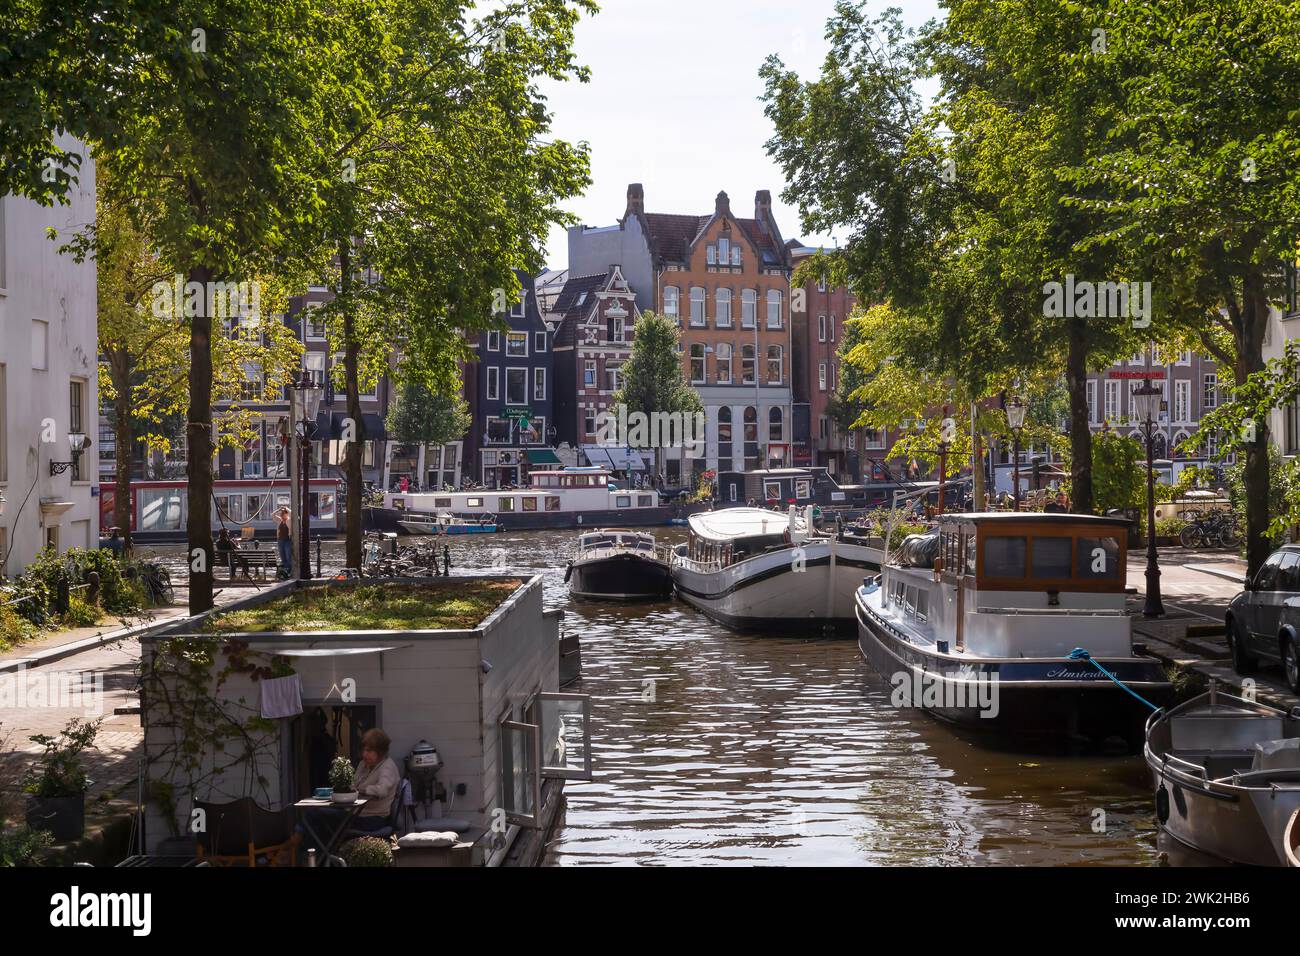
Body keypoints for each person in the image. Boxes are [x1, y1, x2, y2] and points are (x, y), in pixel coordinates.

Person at [275, 507, 293, 578]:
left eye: (283, 514)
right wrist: (278, 509)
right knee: (282, 556)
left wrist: (286, 508)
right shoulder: (280, 521)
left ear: (287, 514)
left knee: (288, 555)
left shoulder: (289, 520)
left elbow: (292, 514)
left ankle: (288, 570)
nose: (282, 515)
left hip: (287, 540)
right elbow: (272, 515)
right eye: (281, 514)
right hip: (280, 540)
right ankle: (285, 571)